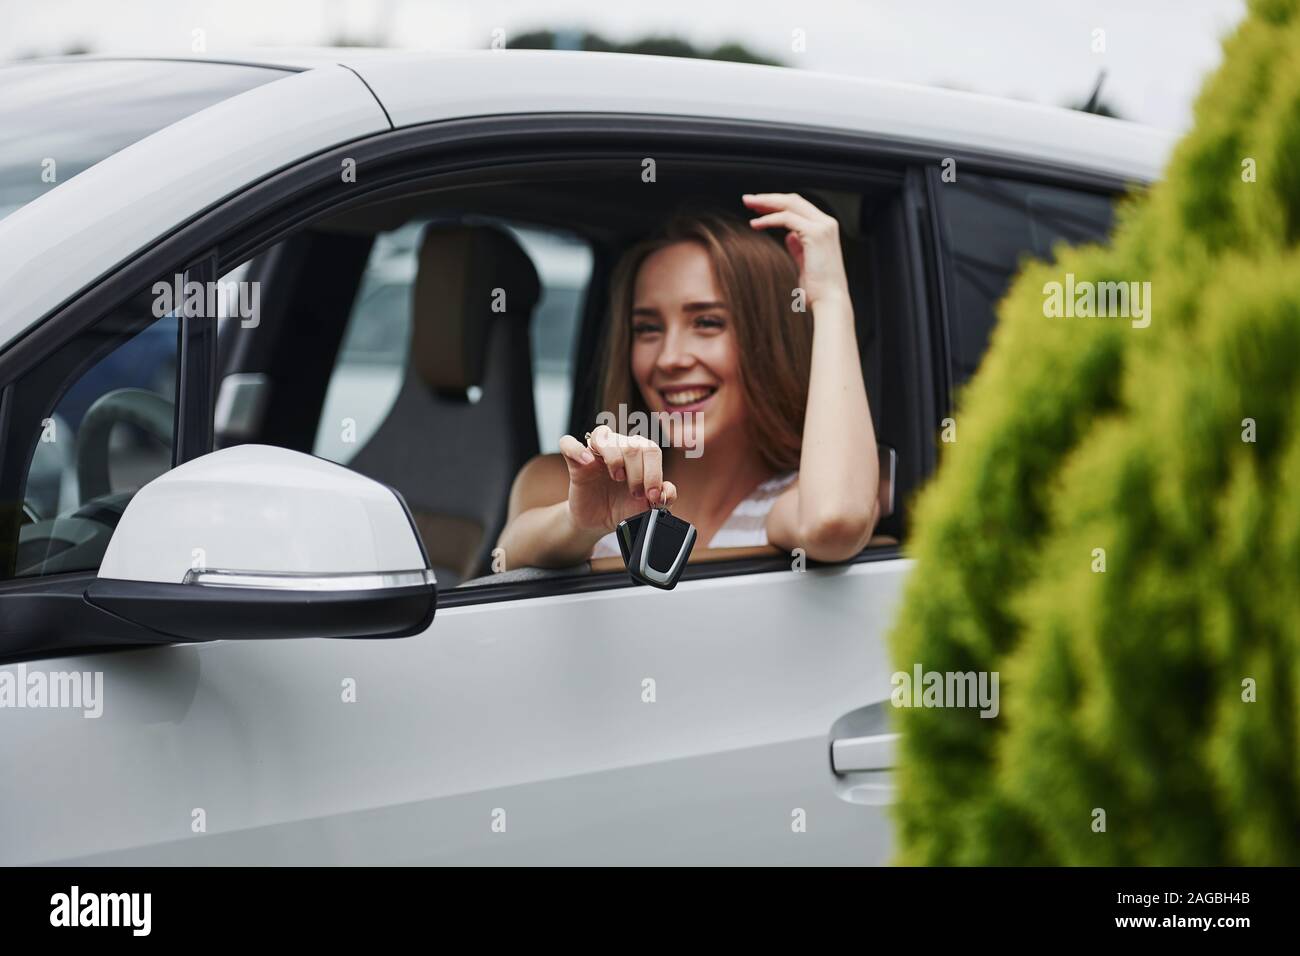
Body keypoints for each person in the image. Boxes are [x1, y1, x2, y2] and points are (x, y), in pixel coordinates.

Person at [497, 193, 879, 569]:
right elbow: (505, 561)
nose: (670, 358)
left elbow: (834, 520)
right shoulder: (565, 483)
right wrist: (580, 521)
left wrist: (830, 299)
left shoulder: (791, 501)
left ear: (770, 340)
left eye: (707, 322)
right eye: (648, 329)